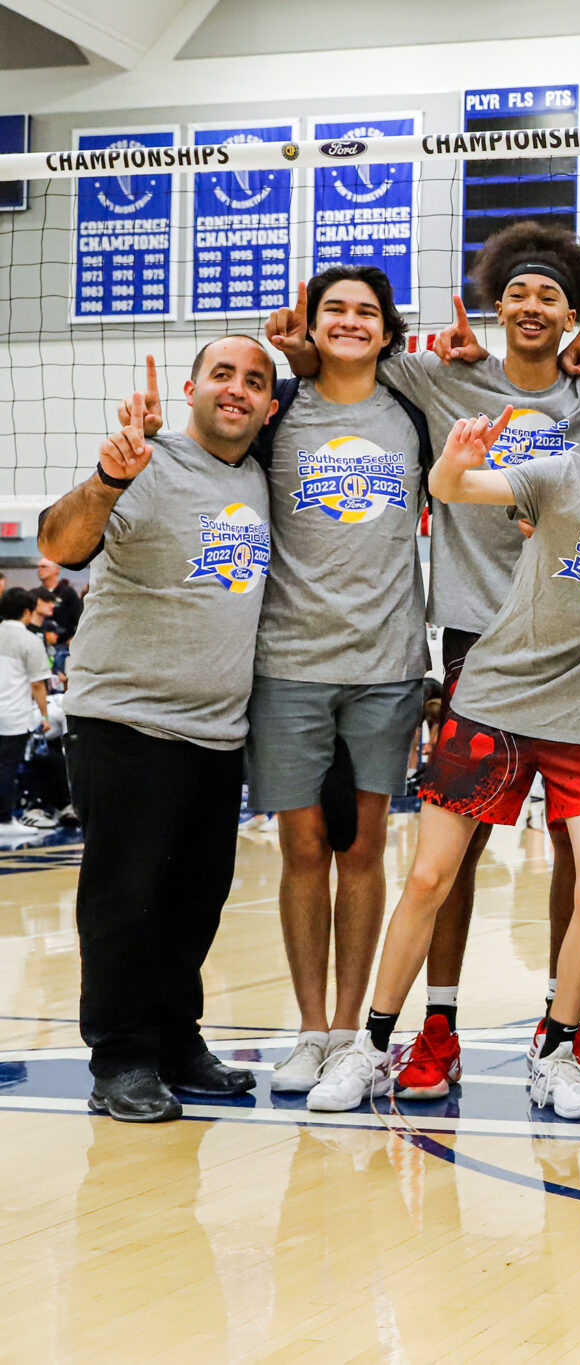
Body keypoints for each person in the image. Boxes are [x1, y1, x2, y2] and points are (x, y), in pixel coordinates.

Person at [267, 221, 580, 1098]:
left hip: (575, 653)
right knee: (455, 852)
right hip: (474, 645)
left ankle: (567, 1029)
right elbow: (336, 364)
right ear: (493, 301)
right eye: (516, 292)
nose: (530, 306)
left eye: (550, 297)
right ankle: (435, 1025)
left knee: (579, 855)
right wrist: (292, 342)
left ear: (578, 314)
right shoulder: (435, 376)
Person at [309, 375, 580, 1117]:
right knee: (429, 877)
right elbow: (455, 487)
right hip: (496, 703)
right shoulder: (562, 479)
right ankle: (372, 1048)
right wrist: (454, 459)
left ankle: (554, 1051)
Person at [40, 337, 279, 1122]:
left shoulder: (259, 475)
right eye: (223, 375)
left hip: (216, 731)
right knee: (127, 896)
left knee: (194, 898)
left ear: (270, 406)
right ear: (190, 387)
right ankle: (120, 1055)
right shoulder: (150, 461)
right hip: (127, 719)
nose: (236, 390)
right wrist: (111, 476)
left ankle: (177, 1039)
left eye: (254, 381)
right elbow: (59, 543)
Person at [236, 265, 433, 1095]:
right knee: (303, 848)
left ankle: (355, 1032)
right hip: (288, 664)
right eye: (333, 311)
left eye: (365, 312)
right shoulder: (277, 409)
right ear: (309, 325)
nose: (350, 321)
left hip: (386, 667)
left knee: (364, 847)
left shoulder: (415, 412)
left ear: (388, 330)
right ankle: (309, 1030)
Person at [0, 587, 53, 835]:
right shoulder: (30, 641)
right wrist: (43, 716)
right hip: (12, 716)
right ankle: (4, 821)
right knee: (7, 767)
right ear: (26, 612)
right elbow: (37, 684)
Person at [34, 557, 82, 645]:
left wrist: (73, 638)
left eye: (44, 566)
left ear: (56, 570)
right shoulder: (35, 593)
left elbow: (77, 618)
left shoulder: (68, 592)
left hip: (64, 643)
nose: (39, 570)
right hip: (40, 641)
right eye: (38, 567)